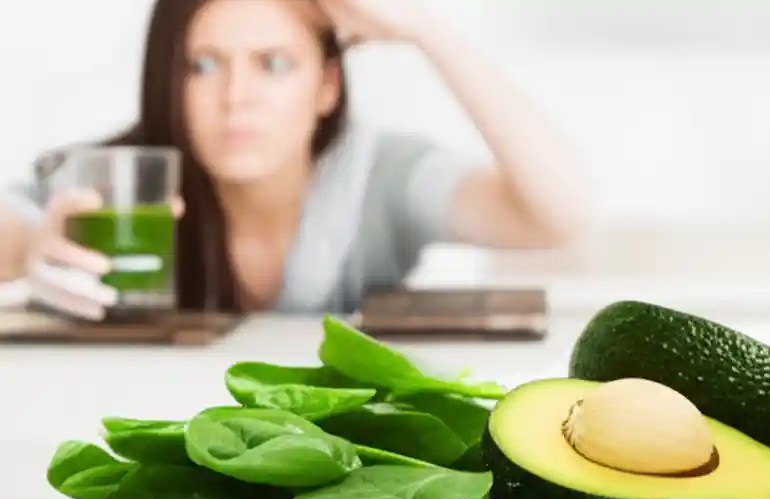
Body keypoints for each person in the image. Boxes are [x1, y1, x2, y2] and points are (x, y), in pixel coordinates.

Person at [0, 0, 591, 319]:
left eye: (274, 64)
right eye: (203, 65)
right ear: (168, 81)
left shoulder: (382, 177)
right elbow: (15, 217)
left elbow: (557, 216)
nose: (237, 97)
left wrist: (426, 30)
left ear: (327, 85)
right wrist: (31, 249)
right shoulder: (121, 181)